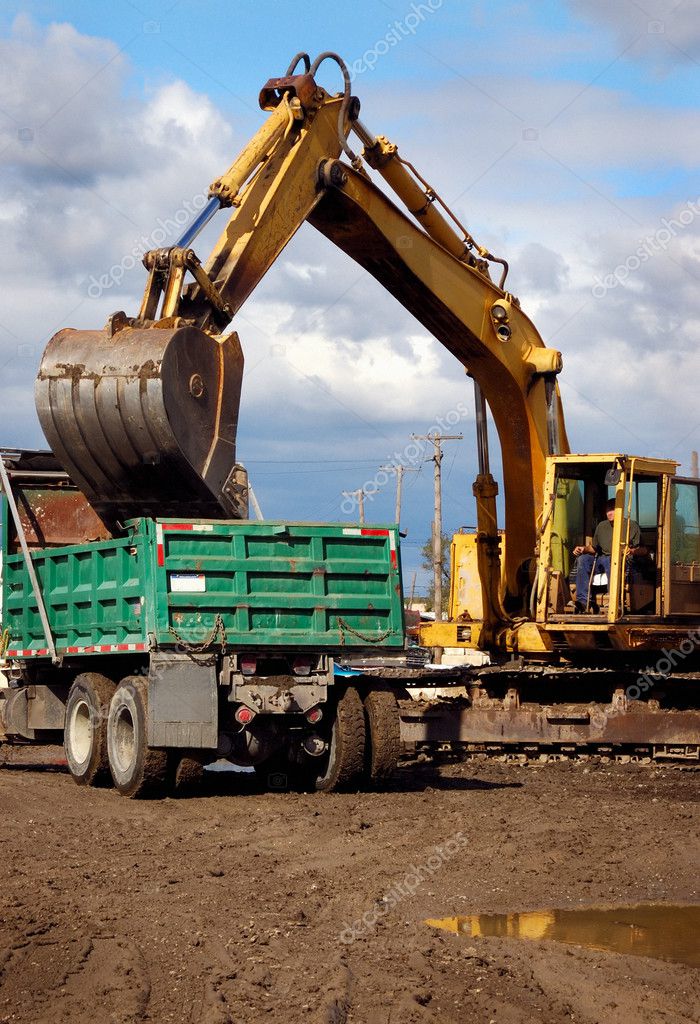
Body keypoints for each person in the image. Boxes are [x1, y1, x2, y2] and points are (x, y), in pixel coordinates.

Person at [572, 498, 643, 612]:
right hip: (602, 559)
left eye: (612, 510)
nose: (609, 513)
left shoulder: (631, 526)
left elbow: (643, 550)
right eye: (607, 510)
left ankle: (614, 601)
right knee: (583, 560)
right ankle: (583, 602)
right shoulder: (601, 526)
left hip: (621, 560)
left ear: (620, 510)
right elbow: (594, 548)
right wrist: (583, 549)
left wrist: (632, 551)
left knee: (611, 561)